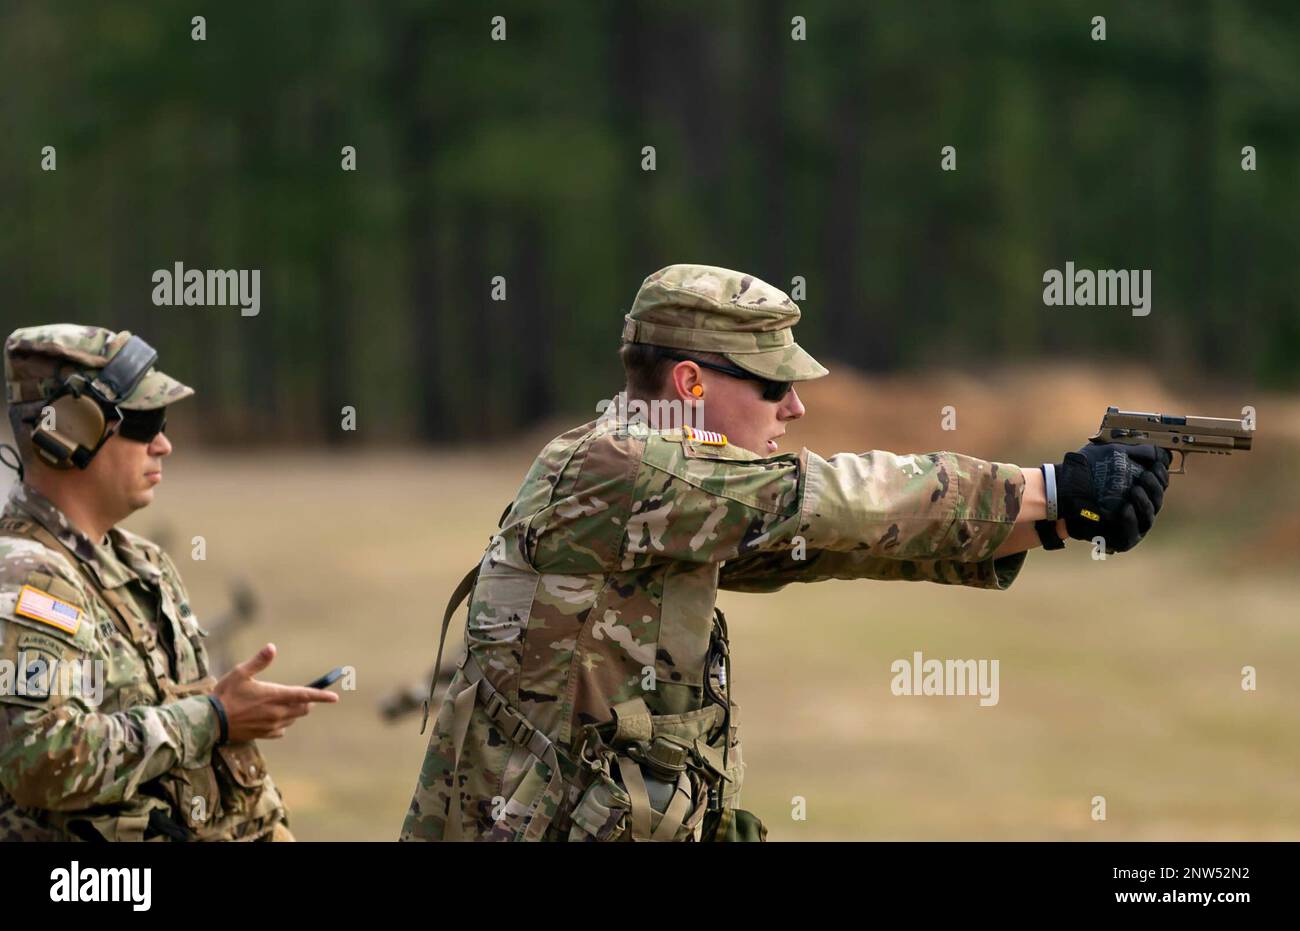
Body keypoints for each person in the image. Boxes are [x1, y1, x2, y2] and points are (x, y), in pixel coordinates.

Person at [401, 264, 1170, 842]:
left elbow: (828, 541)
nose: (796, 407)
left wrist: (1055, 520)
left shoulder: (649, 490)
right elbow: (828, 497)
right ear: (691, 382)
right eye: (774, 386)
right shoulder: (625, 467)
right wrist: (1052, 486)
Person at [0, 324, 338, 841]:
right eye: (146, 422)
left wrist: (219, 718)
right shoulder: (26, 575)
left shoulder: (140, 564)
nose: (164, 444)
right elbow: (41, 761)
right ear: (70, 430)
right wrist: (215, 717)